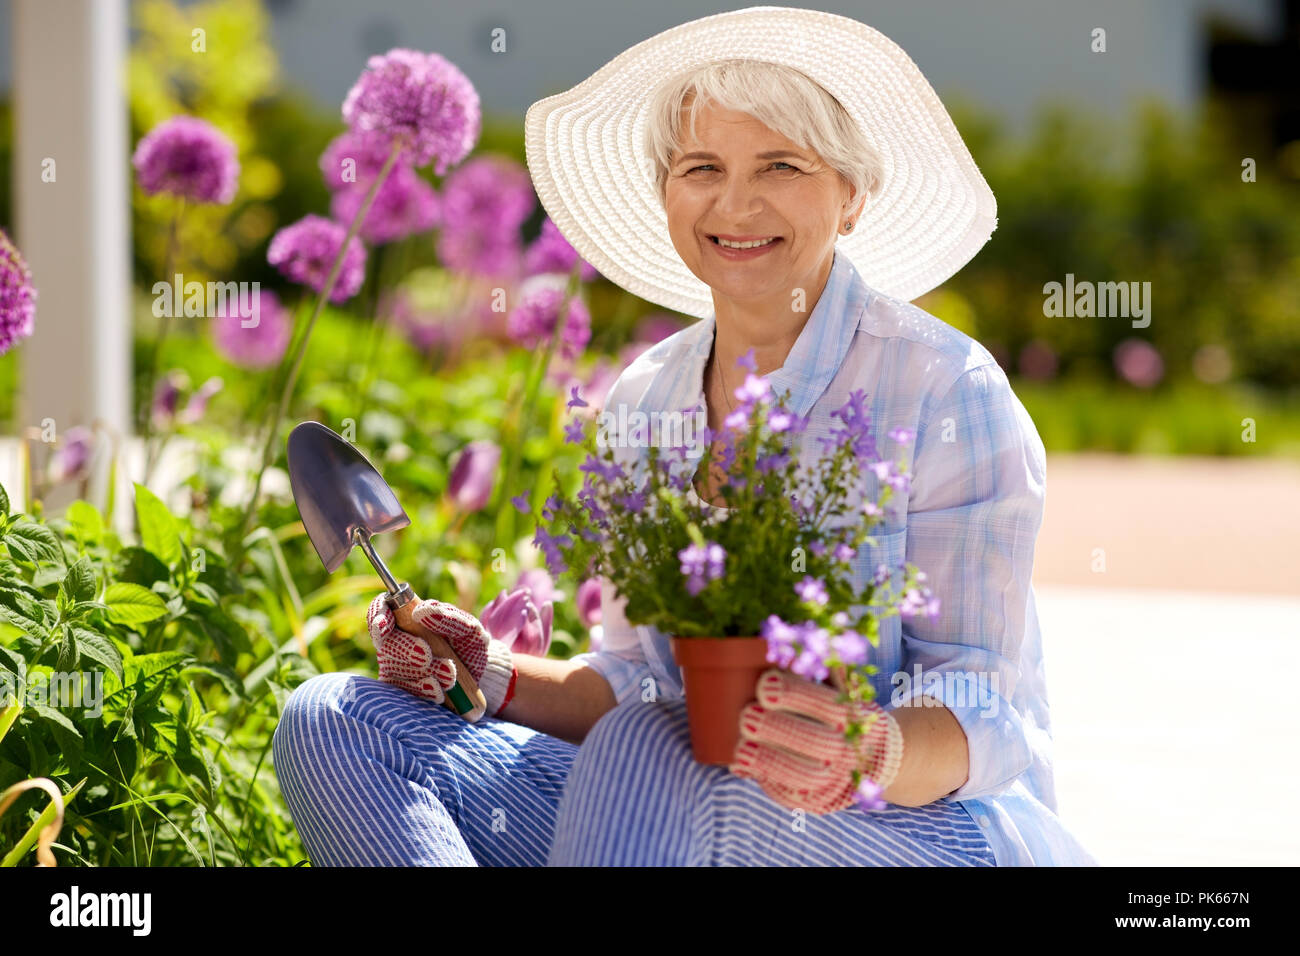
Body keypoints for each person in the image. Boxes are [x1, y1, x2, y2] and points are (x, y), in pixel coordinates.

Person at [273, 6, 1098, 866]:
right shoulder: (645, 399)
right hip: (662, 811)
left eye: (781, 164)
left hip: (921, 832)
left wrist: (867, 748)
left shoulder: (943, 390)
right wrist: (496, 672)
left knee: (658, 755)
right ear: (668, 193)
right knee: (336, 721)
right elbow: (637, 682)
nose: (735, 203)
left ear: (852, 195)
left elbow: (983, 707)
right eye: (702, 166)